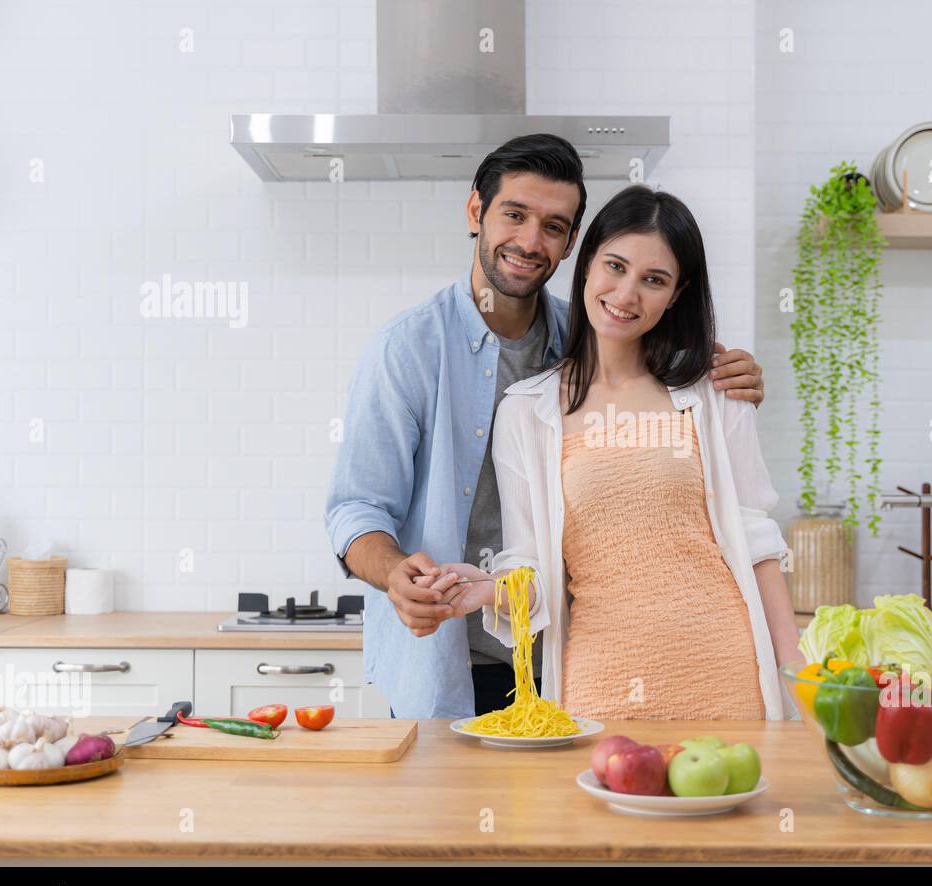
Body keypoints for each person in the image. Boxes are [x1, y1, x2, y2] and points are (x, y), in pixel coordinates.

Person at [324, 135, 767, 719]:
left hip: (570, 659)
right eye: (514, 214)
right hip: (452, 660)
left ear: (571, 243)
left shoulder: (595, 333)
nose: (531, 242)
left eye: (554, 227)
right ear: (476, 211)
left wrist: (730, 377)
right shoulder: (406, 350)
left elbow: (681, 399)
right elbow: (356, 508)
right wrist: (394, 574)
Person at [437, 185, 803, 720]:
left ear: (675, 295)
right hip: (601, 685)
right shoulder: (526, 411)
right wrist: (489, 590)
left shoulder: (715, 392)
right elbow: (531, 567)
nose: (627, 294)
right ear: (586, 264)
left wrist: (799, 678)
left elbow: (758, 545)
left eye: (653, 280)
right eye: (615, 266)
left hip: (728, 679)